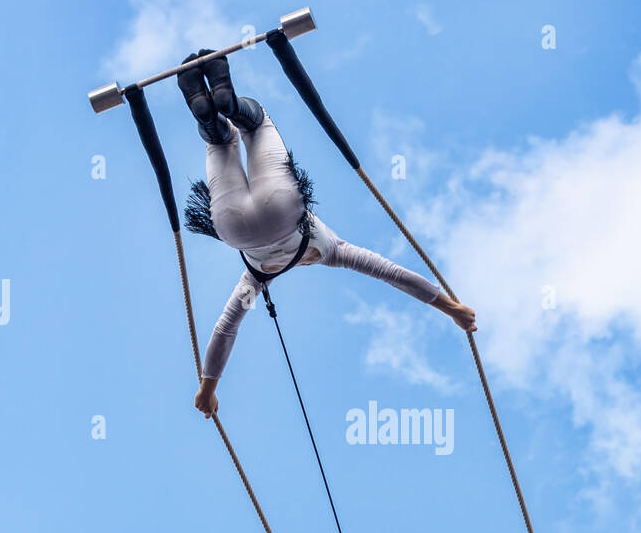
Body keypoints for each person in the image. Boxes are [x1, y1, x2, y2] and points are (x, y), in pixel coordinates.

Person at [176, 50, 476, 419]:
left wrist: (453, 309)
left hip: (283, 207)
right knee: (219, 144)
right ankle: (211, 119)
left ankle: (230, 104)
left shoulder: (333, 250)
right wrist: (208, 389)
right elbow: (226, 328)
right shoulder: (255, 277)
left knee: (256, 124)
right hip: (233, 228)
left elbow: (391, 272)